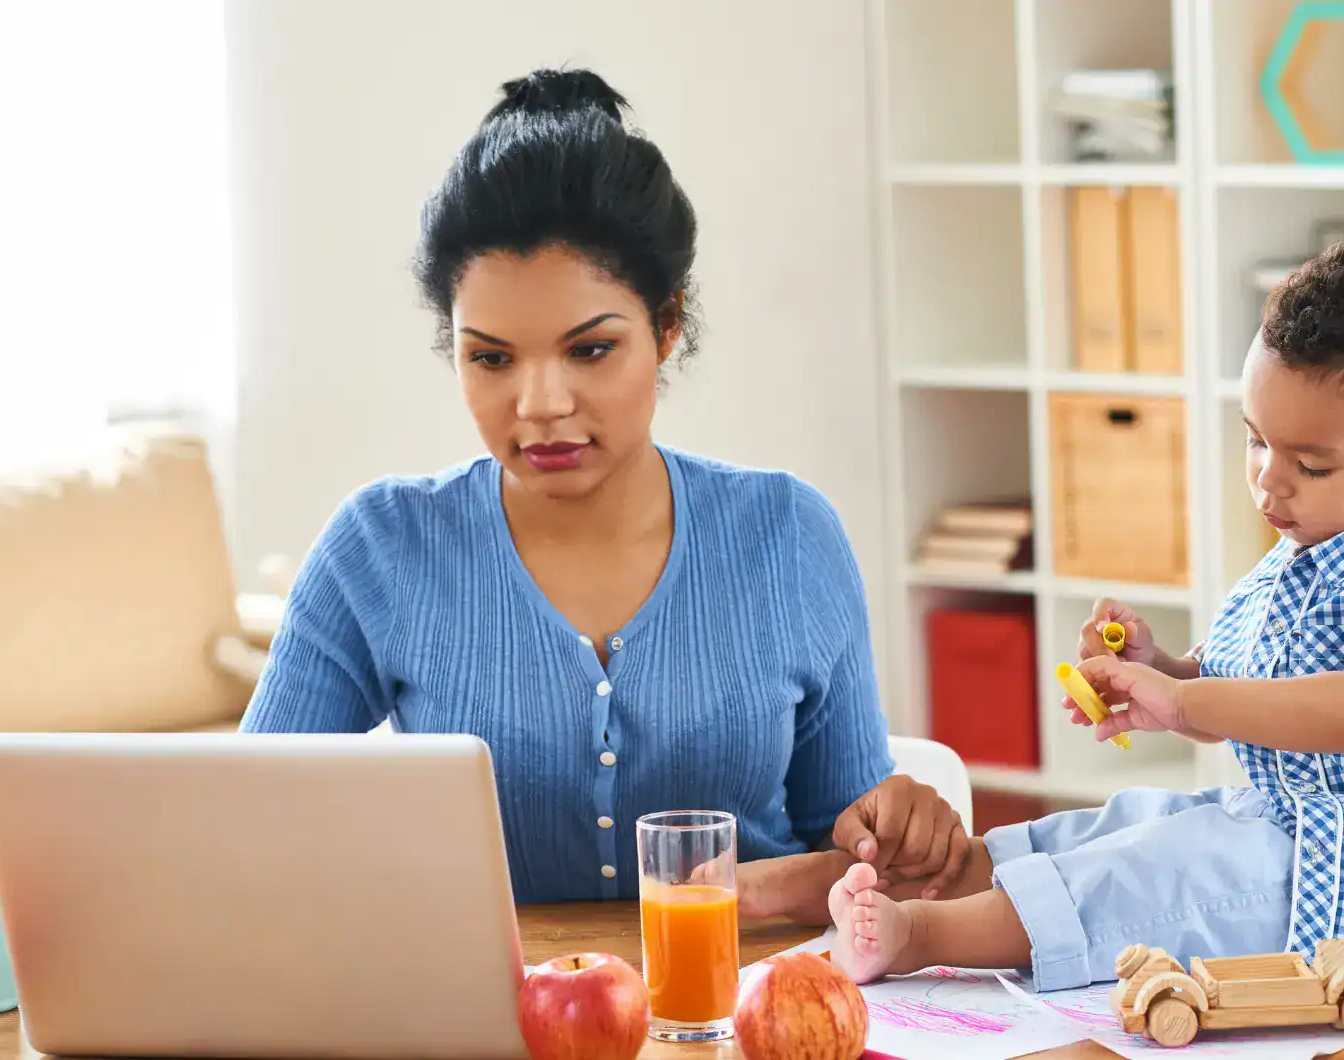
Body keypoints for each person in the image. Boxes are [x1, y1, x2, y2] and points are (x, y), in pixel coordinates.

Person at [239, 66, 967, 918]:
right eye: (491, 357)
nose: (540, 404)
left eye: (589, 350)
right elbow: (248, 830)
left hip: (746, 1021)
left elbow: (852, 859)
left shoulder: (789, 535)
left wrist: (890, 835)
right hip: (486, 1030)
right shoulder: (381, 546)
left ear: (666, 327)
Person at [825, 232, 1344, 988]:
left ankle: (920, 934)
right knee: (1134, 825)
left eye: (1310, 464)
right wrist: (1160, 672)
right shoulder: (1322, 536)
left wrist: (1184, 697)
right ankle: (951, 880)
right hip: (1297, 828)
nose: (1269, 483)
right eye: (1256, 442)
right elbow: (1246, 696)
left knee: (1163, 874)